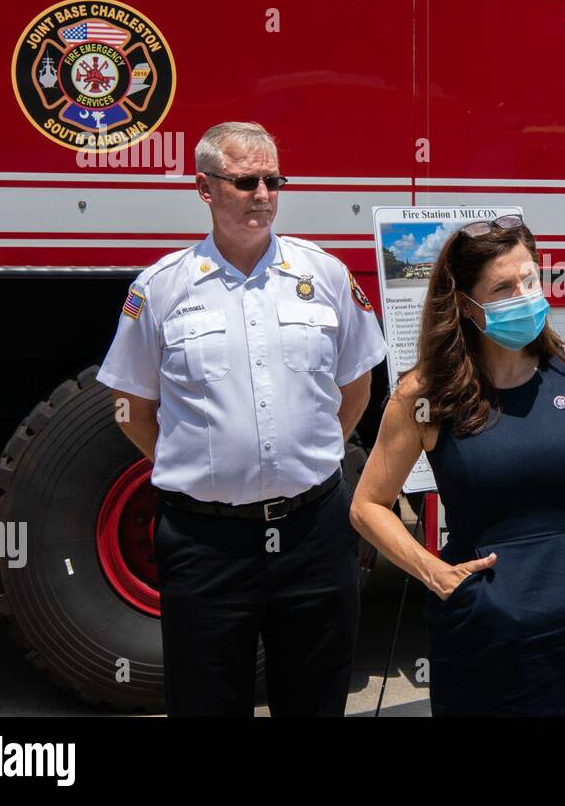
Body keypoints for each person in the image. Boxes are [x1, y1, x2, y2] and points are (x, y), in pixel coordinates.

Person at [97, 121, 387, 716]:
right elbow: (132, 408)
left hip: (314, 534)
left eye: (273, 181)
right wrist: (199, 468)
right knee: (206, 704)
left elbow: (355, 386)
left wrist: (304, 457)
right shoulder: (161, 289)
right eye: (245, 181)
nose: (262, 194)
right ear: (205, 189)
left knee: (315, 702)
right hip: (206, 544)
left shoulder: (325, 276)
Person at [350, 215, 565, 716]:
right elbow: (367, 505)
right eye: (503, 287)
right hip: (479, 629)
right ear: (465, 305)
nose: (525, 294)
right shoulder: (425, 395)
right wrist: (434, 574)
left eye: (530, 279)